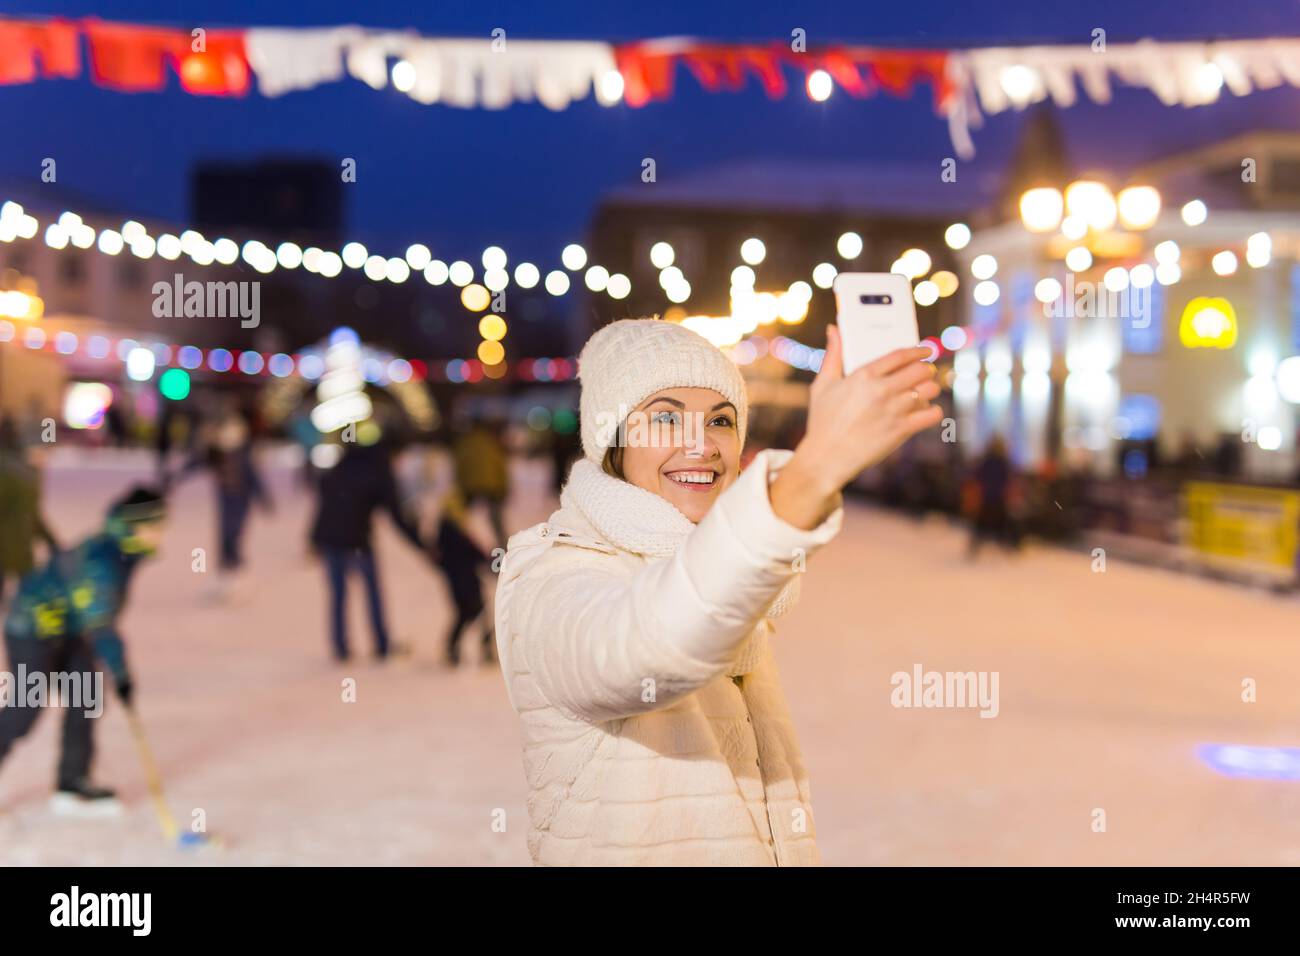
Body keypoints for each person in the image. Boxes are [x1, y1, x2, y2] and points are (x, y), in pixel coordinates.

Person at [494, 318, 941, 865]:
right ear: (614, 439)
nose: (701, 445)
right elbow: (649, 648)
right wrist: (814, 469)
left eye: (721, 421)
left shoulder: (719, 576)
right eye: (664, 417)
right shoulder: (555, 572)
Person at [0, 486, 166, 814]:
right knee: (24, 710)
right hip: (33, 627)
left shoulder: (121, 550)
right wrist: (121, 675)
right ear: (136, 526)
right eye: (156, 526)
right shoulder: (102, 562)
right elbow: (101, 623)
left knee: (85, 699)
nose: (160, 535)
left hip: (70, 628)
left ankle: (72, 783)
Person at [309, 436, 424, 661]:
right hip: (357, 541)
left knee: (338, 595)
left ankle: (341, 648)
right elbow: (396, 516)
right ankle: (381, 644)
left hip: (331, 538)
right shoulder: (379, 471)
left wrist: (313, 537)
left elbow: (325, 496)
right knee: (372, 592)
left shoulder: (346, 461)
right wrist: (421, 545)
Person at [429, 487, 494, 667]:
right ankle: (484, 650)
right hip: (468, 583)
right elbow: (476, 553)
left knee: (466, 615)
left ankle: (454, 648)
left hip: (458, 583)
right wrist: (494, 562)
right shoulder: (456, 533)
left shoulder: (444, 534)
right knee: (479, 614)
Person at [0, 418, 58, 605]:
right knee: (28, 587)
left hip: (8, 543)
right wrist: (52, 542)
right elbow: (33, 515)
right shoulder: (26, 476)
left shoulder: (9, 475)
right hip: (21, 545)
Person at [452, 419, 510, 550]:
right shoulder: (491, 442)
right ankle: (502, 548)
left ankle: (464, 547)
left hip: (470, 488)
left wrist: (461, 486)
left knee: (462, 519)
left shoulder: (464, 444)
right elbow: (500, 466)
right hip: (492, 486)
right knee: (496, 520)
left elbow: (459, 467)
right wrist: (504, 486)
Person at [966, 435, 1018, 557]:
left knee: (981, 525)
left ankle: (974, 548)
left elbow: (975, 477)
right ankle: (1010, 548)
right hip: (998, 499)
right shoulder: (1004, 463)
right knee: (1004, 524)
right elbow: (1009, 480)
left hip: (986, 498)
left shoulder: (985, 462)